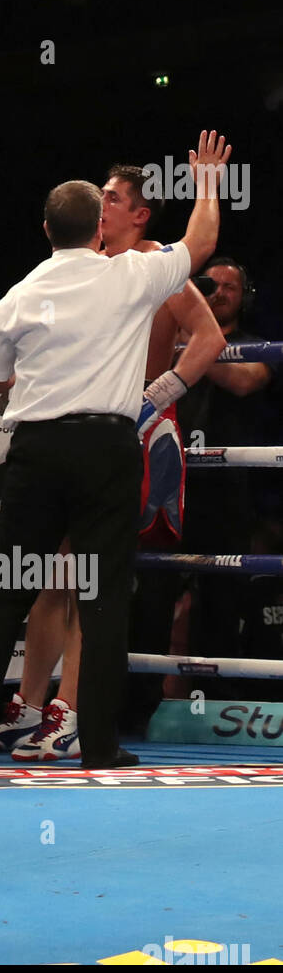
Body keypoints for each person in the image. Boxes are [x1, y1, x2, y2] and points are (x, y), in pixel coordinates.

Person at [0, 131, 230, 769]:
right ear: (88, 220)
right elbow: (205, 242)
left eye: (115, 197)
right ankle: (76, 732)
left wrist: (153, 399)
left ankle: (3, 720)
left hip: (60, 442)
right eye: (98, 198)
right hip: (100, 445)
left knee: (22, 587)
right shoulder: (122, 274)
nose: (105, 207)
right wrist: (210, 183)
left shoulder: (42, 288)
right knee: (81, 593)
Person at [177, 257, 277, 696]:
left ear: (245, 297)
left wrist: (191, 337)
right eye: (209, 284)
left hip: (227, 497)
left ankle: (213, 708)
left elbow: (243, 380)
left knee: (221, 603)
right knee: (153, 594)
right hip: (171, 488)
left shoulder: (256, 345)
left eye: (229, 287)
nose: (218, 292)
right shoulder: (170, 339)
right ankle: (137, 710)